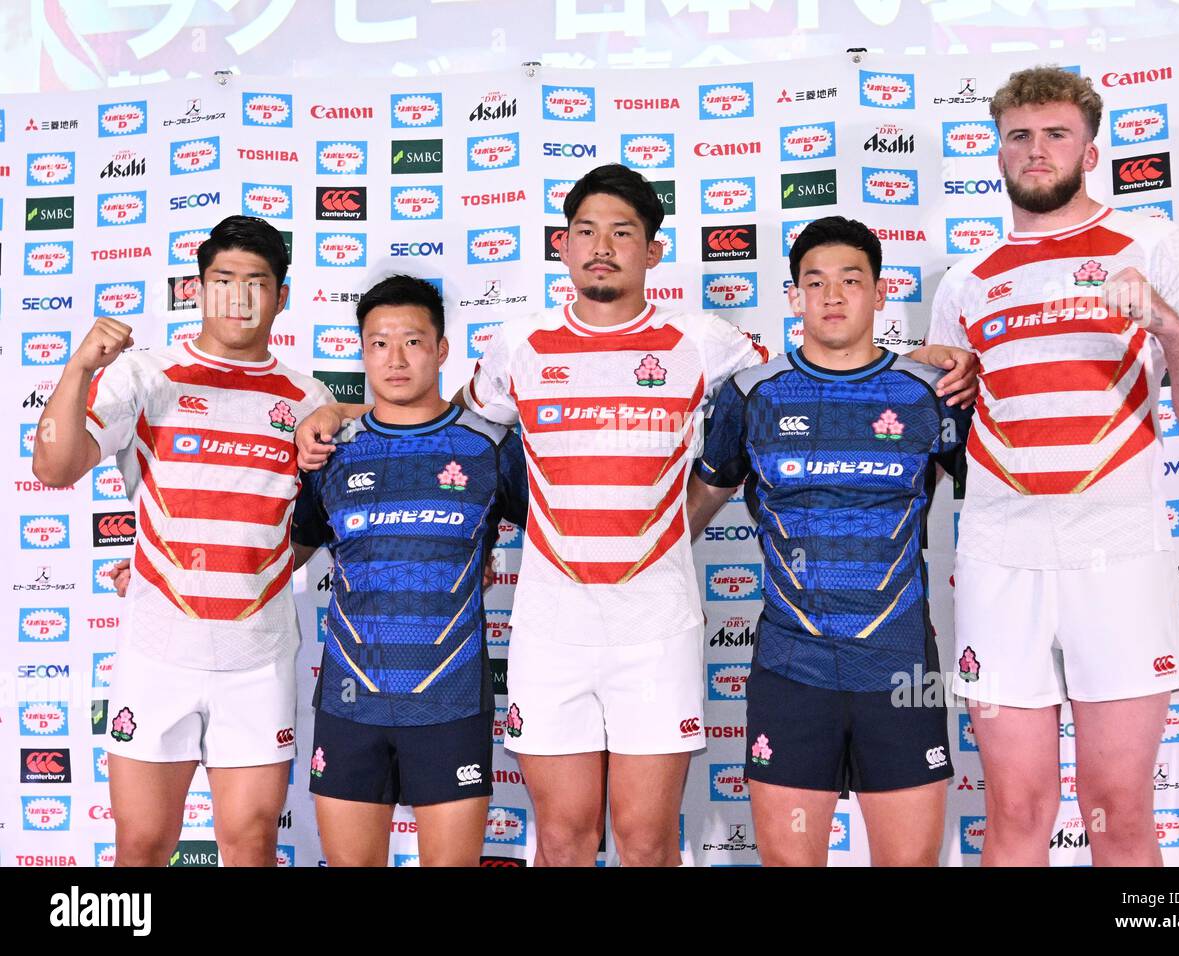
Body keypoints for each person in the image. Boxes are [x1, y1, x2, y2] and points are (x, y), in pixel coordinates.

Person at [296, 164, 977, 866]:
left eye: (622, 233)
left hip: (657, 625)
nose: (601, 246)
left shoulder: (708, 342)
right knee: (562, 841)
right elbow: (435, 424)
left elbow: (816, 379)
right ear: (561, 245)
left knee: (649, 843)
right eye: (586, 231)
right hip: (551, 629)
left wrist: (917, 364)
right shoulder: (517, 345)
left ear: (651, 252)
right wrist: (342, 413)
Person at [926, 66, 1179, 866]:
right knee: (1017, 812)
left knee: (1117, 810)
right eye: (1020, 136)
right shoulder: (965, 282)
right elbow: (948, 421)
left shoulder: (1154, 245)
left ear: (1090, 149)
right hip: (1000, 555)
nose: (1037, 151)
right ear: (997, 152)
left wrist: (1170, 329)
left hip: (1118, 551)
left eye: (1056, 134)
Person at [33, 216, 333, 866]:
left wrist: (341, 412)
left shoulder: (308, 397)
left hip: (258, 659)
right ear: (198, 288)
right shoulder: (146, 375)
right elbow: (53, 469)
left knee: (250, 846)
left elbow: (309, 521)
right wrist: (80, 366)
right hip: (157, 655)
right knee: (141, 847)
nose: (239, 297)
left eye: (257, 282)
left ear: (282, 296)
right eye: (224, 280)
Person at [687, 216, 969, 866]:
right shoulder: (751, 395)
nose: (833, 297)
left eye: (851, 281)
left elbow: (1000, 497)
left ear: (878, 293)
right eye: (815, 283)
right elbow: (697, 507)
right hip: (793, 673)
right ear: (795, 298)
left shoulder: (930, 393)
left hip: (899, 670)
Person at [289, 275, 527, 866]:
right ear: (361, 350)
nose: (395, 359)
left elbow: (556, 546)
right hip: (351, 703)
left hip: (449, 702)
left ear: (442, 349)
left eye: (413, 342)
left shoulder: (491, 446)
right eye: (378, 343)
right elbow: (283, 555)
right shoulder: (331, 449)